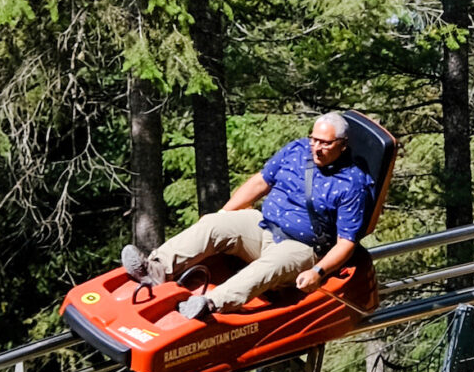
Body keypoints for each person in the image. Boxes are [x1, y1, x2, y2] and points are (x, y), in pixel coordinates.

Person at [121, 112, 375, 318]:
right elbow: (260, 183)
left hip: (301, 247)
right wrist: (223, 217)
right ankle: (156, 267)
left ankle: (210, 303)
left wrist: (318, 272)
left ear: (342, 146)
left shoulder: (351, 183)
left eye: (325, 143)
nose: (316, 148)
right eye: (314, 140)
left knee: (270, 265)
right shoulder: (297, 150)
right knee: (213, 223)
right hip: (264, 225)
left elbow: (346, 243)